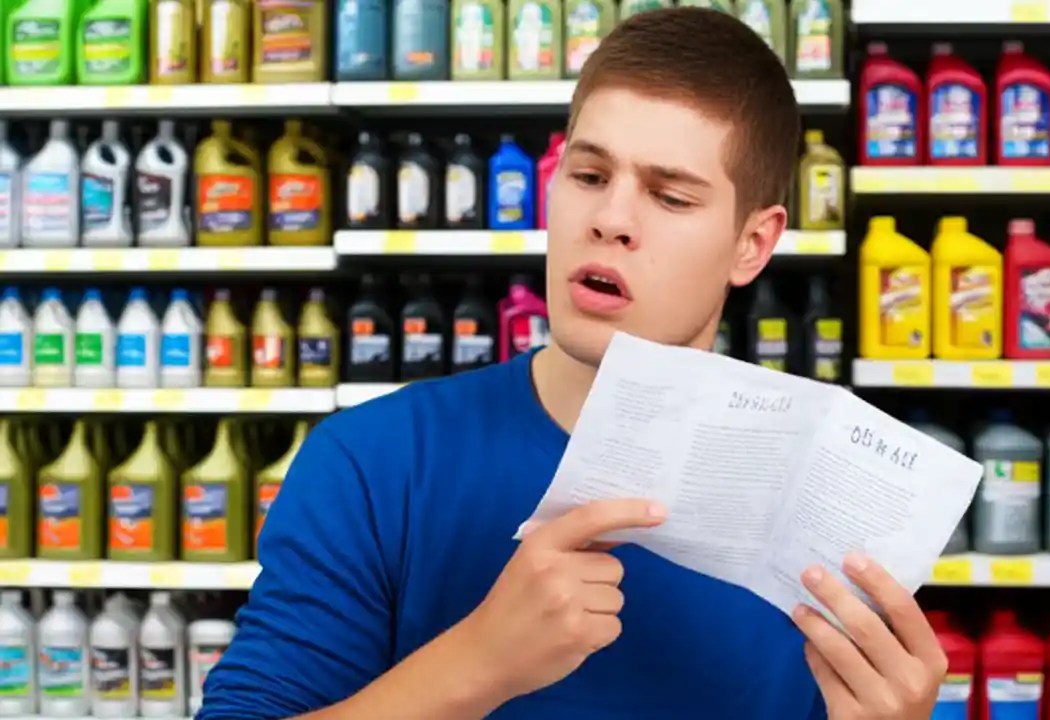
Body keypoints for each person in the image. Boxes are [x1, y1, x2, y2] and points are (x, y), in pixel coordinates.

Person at [197, 8, 947, 720]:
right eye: (589, 176)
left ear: (752, 244)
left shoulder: (838, 516)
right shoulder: (373, 464)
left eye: (670, 196)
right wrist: (476, 662)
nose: (610, 220)